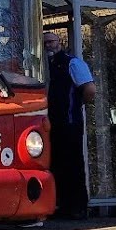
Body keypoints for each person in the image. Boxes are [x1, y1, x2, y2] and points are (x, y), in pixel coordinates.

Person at [46, 31, 96, 219]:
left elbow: (90, 89)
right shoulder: (43, 66)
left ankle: (77, 207)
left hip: (69, 122)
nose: (48, 46)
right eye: (44, 43)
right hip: (50, 123)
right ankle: (61, 205)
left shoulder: (72, 63)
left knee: (72, 163)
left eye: (51, 41)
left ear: (59, 42)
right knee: (56, 164)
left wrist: (76, 105)